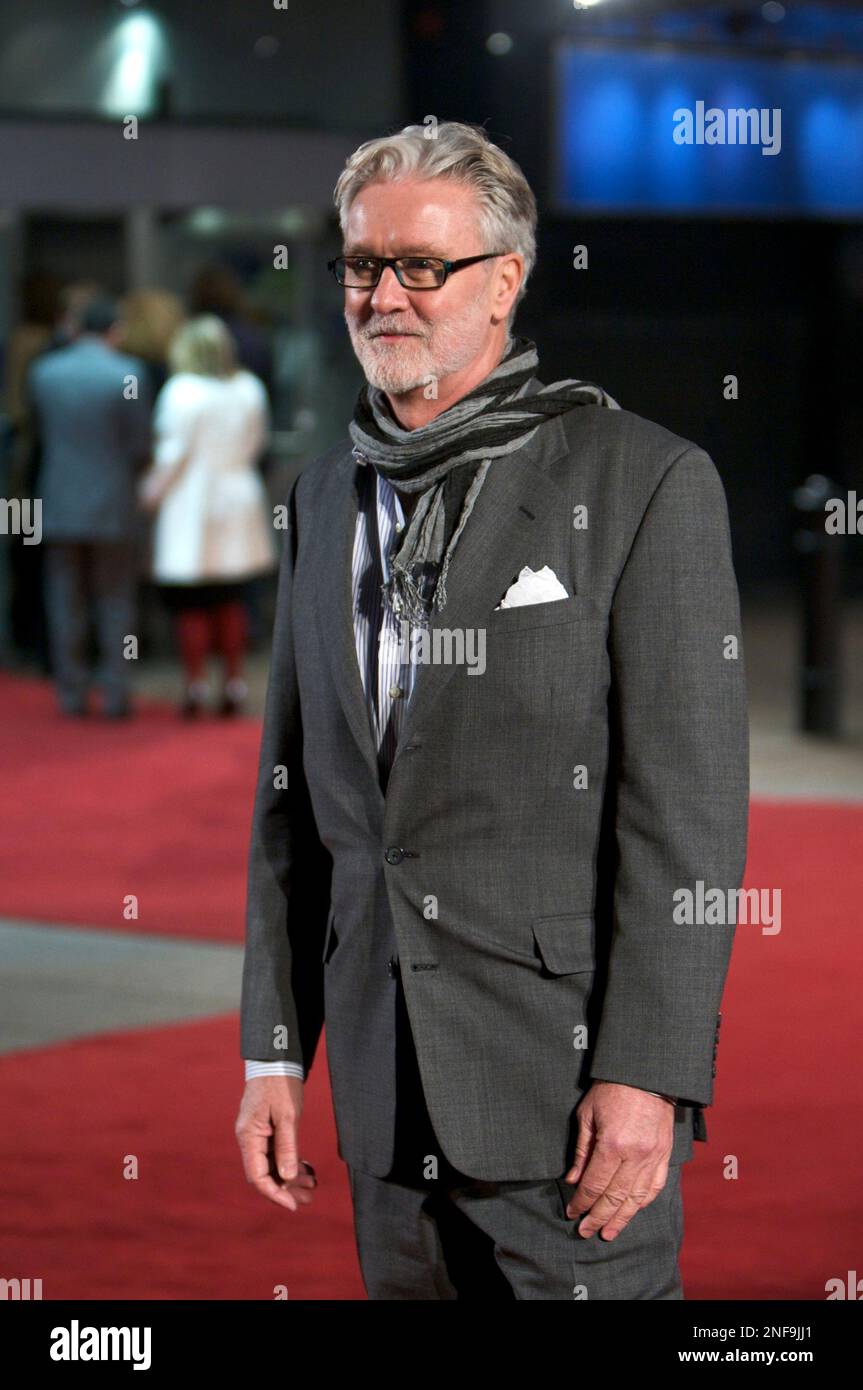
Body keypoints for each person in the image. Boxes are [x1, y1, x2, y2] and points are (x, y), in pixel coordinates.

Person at [235, 122, 749, 1300]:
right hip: (379, 1094)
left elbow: (686, 820)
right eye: (362, 264)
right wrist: (273, 1049)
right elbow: (294, 810)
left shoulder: (640, 481)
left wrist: (648, 1076)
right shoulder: (323, 494)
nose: (382, 296)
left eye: (422, 265)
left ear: (505, 280)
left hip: (560, 1105)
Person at [138, 315, 276, 717]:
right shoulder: (249, 388)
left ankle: (195, 685)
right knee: (232, 597)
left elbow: (171, 456)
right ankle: (233, 683)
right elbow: (257, 443)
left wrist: (148, 495)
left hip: (191, 503)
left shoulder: (180, 391)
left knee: (192, 601)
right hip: (238, 497)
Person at [28, 296, 151, 718]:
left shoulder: (45, 373)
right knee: (115, 599)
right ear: (114, 329)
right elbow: (140, 445)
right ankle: (116, 691)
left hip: (58, 498)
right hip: (112, 500)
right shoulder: (127, 374)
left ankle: (71, 692)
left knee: (64, 599)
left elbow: (40, 433)